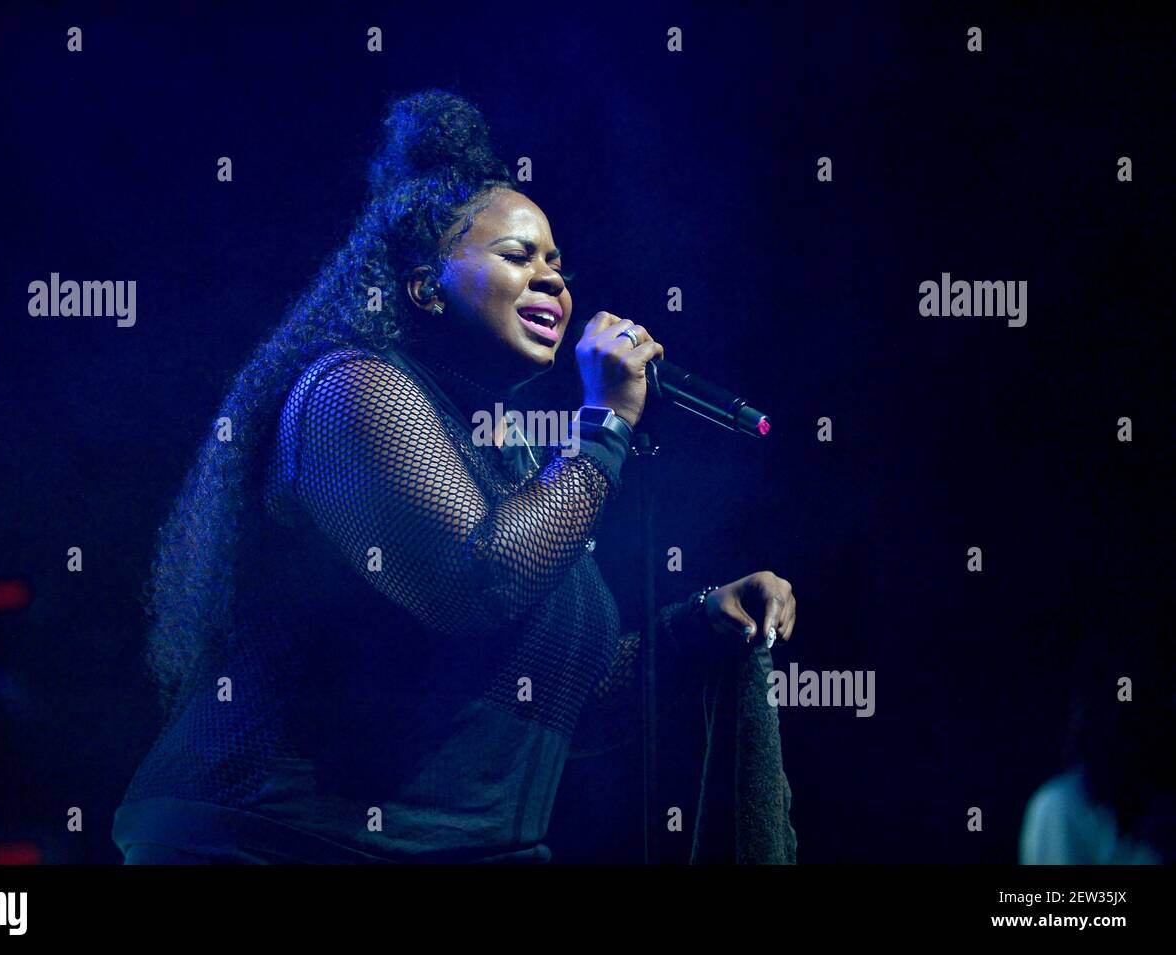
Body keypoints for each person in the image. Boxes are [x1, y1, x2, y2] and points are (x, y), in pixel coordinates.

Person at [113, 90, 797, 864]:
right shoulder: (349, 389)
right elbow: (476, 581)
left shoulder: (506, 458)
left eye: (558, 264)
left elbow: (560, 686)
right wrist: (605, 424)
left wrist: (702, 621)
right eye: (518, 256)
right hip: (273, 840)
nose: (553, 281)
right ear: (424, 285)